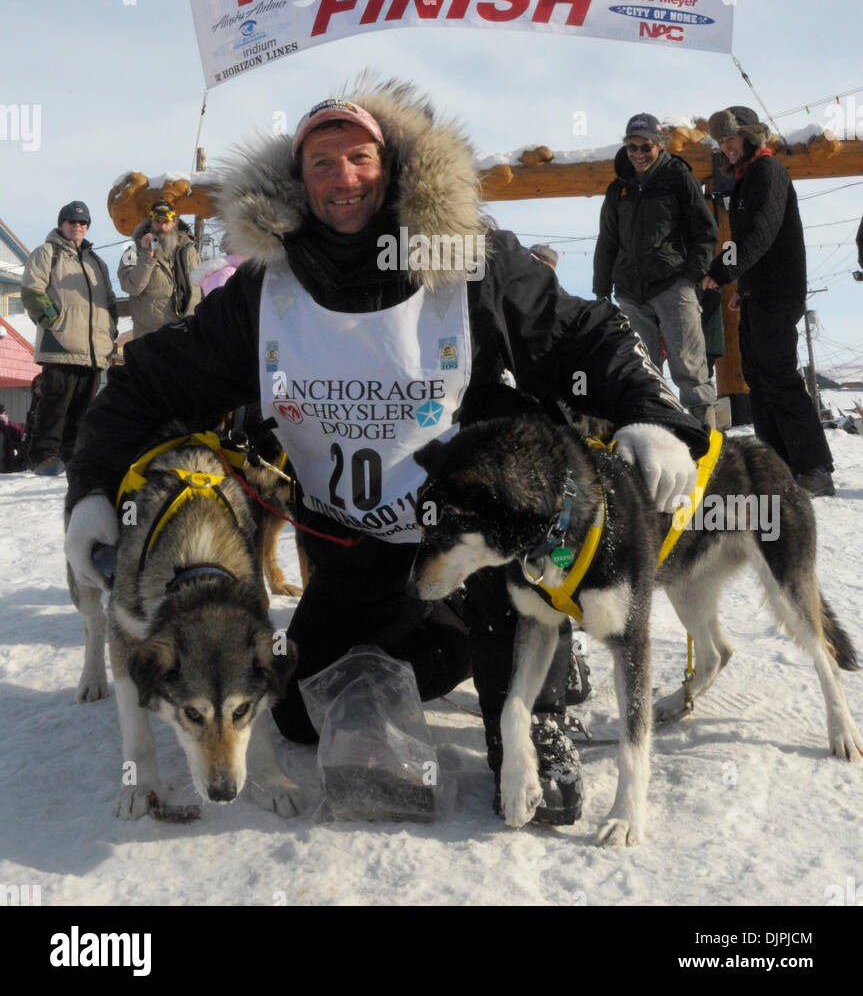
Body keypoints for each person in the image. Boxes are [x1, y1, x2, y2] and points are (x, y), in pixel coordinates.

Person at [65, 81, 708, 824]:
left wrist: (651, 414)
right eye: (321, 163)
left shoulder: (465, 258)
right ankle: (435, 641)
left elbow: (583, 332)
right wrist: (91, 489)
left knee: (535, 786)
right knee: (299, 708)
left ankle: (538, 700)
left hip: (473, 536)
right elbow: (146, 382)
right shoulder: (263, 290)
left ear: (392, 165)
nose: (343, 177)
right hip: (353, 545)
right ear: (296, 182)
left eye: (359, 158)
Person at [703, 105, 835, 496]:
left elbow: (758, 234)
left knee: (778, 375)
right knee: (757, 377)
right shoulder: (747, 179)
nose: (725, 147)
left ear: (749, 135)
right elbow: (760, 245)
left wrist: (720, 271)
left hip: (779, 293)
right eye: (720, 142)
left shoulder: (767, 172)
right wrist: (744, 289)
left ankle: (814, 468)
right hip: (761, 292)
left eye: (730, 139)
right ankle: (778, 468)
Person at [593, 112, 718, 426]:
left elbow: (706, 232)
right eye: (632, 147)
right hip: (631, 294)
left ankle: (708, 437)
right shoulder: (617, 188)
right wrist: (601, 289)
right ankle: (657, 434)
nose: (638, 154)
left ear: (659, 145)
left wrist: (690, 276)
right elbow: (607, 240)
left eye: (645, 147)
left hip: (673, 286)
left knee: (689, 369)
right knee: (642, 371)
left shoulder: (677, 178)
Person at [21, 201, 117, 476]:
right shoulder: (47, 253)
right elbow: (31, 290)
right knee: (55, 404)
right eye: (72, 222)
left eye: (83, 223)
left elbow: (109, 300)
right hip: (60, 344)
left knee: (83, 409)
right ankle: (44, 456)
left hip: (92, 349)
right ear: (62, 224)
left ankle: (73, 456)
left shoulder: (96, 261)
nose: (77, 226)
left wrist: (109, 331)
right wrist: (52, 320)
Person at [118, 200, 201, 339]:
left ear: (175, 222)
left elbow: (202, 286)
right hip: (153, 338)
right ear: (151, 222)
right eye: (157, 221)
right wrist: (147, 256)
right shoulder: (131, 251)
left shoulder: (189, 249)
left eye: (166, 221)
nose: (161, 226)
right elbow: (131, 286)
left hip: (189, 333)